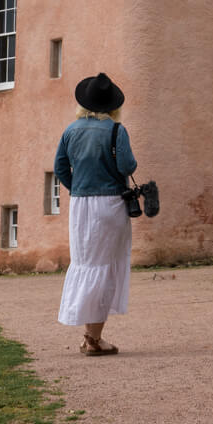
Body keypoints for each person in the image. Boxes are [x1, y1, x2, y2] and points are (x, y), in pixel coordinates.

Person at [54, 72, 136, 355]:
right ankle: (93, 338)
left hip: (80, 206)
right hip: (110, 203)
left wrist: (77, 187)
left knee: (86, 264)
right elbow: (128, 166)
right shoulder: (116, 130)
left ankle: (91, 335)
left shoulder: (71, 130)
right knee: (104, 268)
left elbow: (61, 169)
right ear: (112, 105)